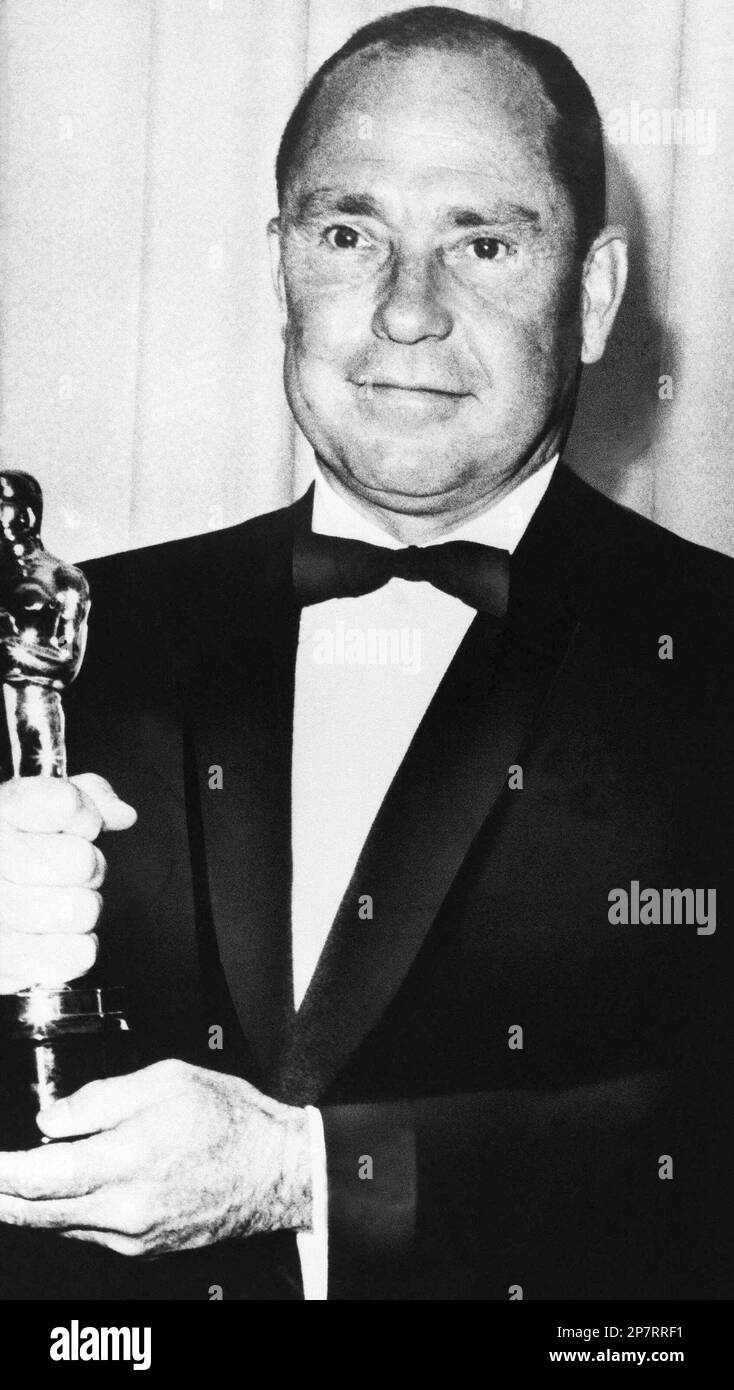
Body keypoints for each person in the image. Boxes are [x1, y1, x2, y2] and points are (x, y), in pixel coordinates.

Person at [0, 5, 731, 1301]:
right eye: (349, 234)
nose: (405, 310)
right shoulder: (58, 638)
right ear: (281, 264)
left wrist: (306, 1174)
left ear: (596, 294)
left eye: (484, 243)